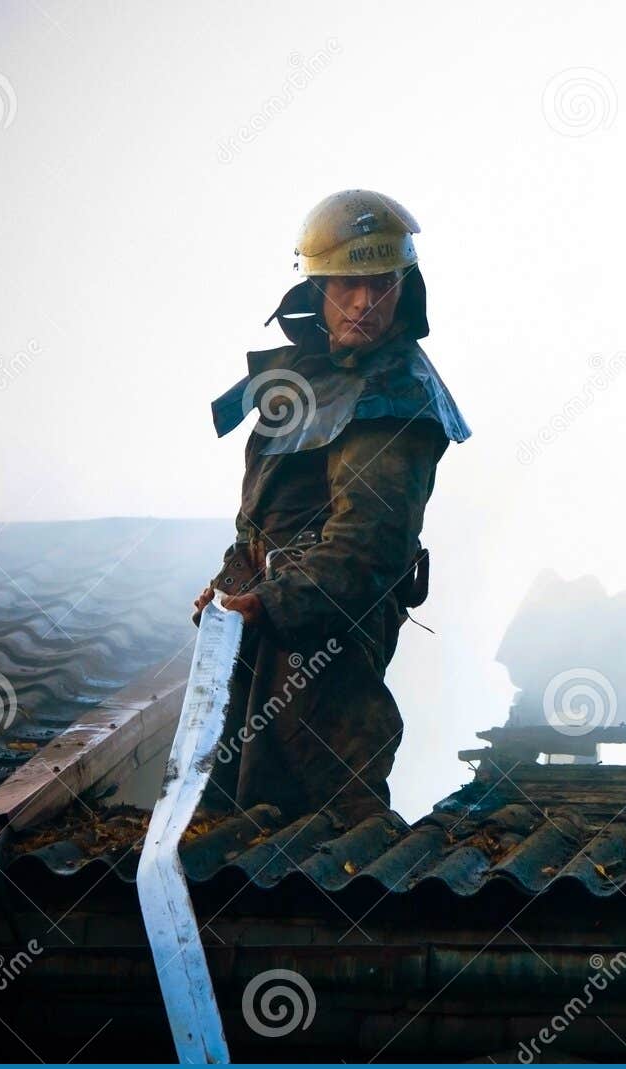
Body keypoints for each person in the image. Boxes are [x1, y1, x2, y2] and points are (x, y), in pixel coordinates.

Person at [193, 189, 470, 823]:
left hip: (324, 649)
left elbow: (365, 549)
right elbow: (261, 524)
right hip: (261, 629)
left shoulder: (396, 397)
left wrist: (268, 604)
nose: (363, 302)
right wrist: (229, 589)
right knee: (230, 825)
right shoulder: (301, 375)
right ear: (316, 288)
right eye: (347, 283)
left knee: (329, 839)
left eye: (380, 284)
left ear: (406, 287)